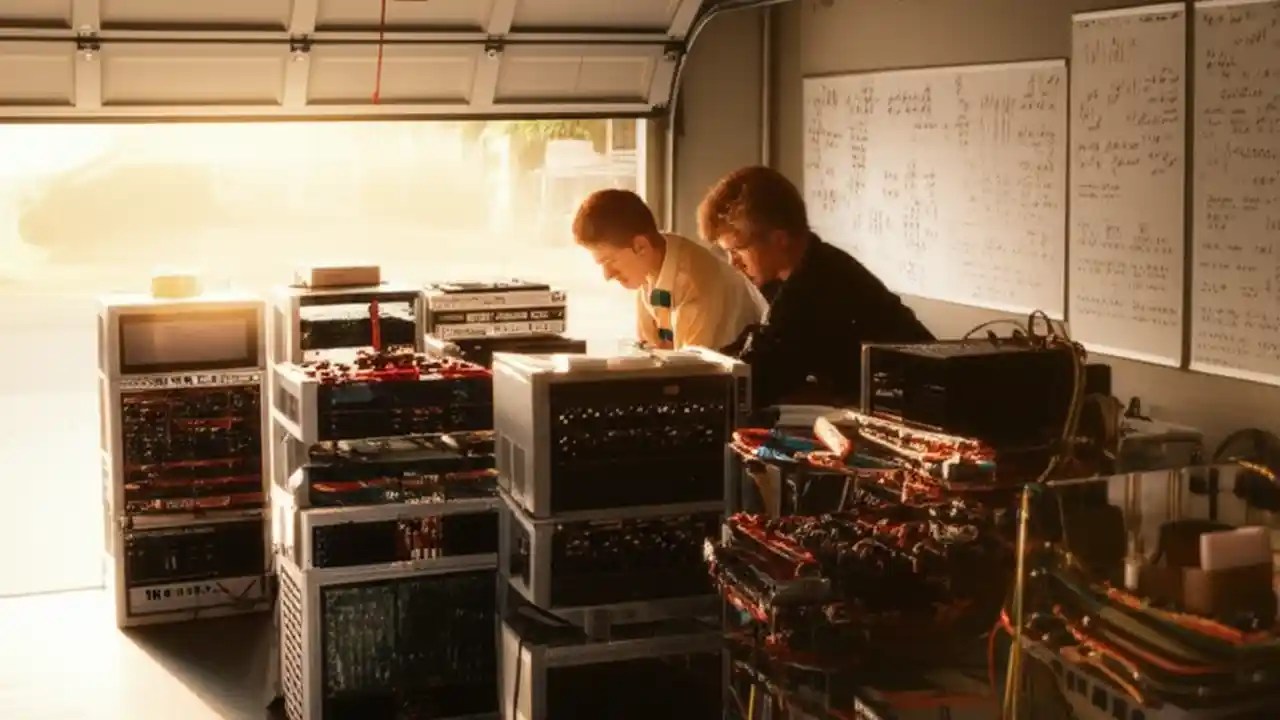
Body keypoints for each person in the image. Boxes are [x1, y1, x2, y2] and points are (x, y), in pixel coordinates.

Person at [698, 165, 934, 409]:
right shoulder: (797, 269)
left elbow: (757, 379)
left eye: (737, 250)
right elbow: (759, 341)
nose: (734, 263)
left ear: (779, 240)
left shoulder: (817, 286)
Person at [573, 188, 766, 351]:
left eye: (610, 261)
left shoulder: (695, 282)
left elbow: (689, 373)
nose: (607, 275)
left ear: (640, 246)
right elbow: (651, 350)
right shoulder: (647, 269)